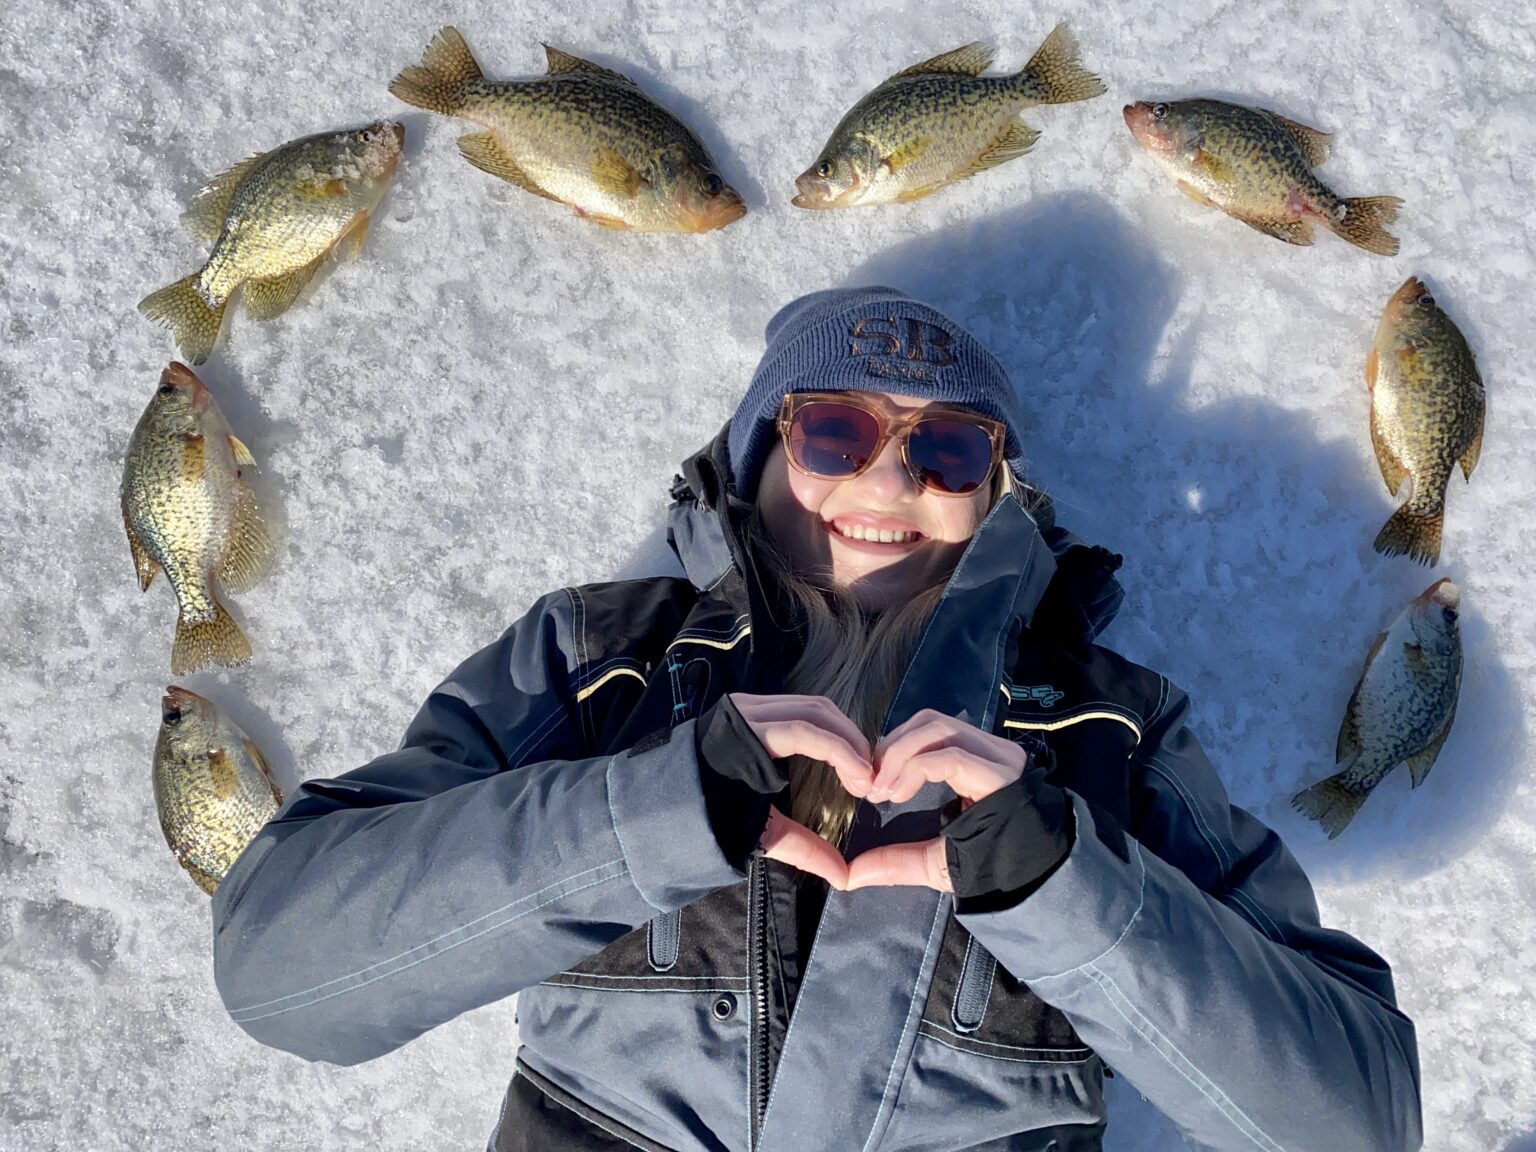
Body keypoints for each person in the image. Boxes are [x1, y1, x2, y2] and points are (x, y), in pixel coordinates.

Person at [211, 287, 1423, 1152]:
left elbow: (1359, 1120)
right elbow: (281, 970)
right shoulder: (601, 659)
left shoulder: (1113, 732)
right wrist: (653, 813)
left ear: (999, 497)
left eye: (948, 451)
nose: (890, 483)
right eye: (834, 430)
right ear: (757, 452)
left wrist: (1062, 884)